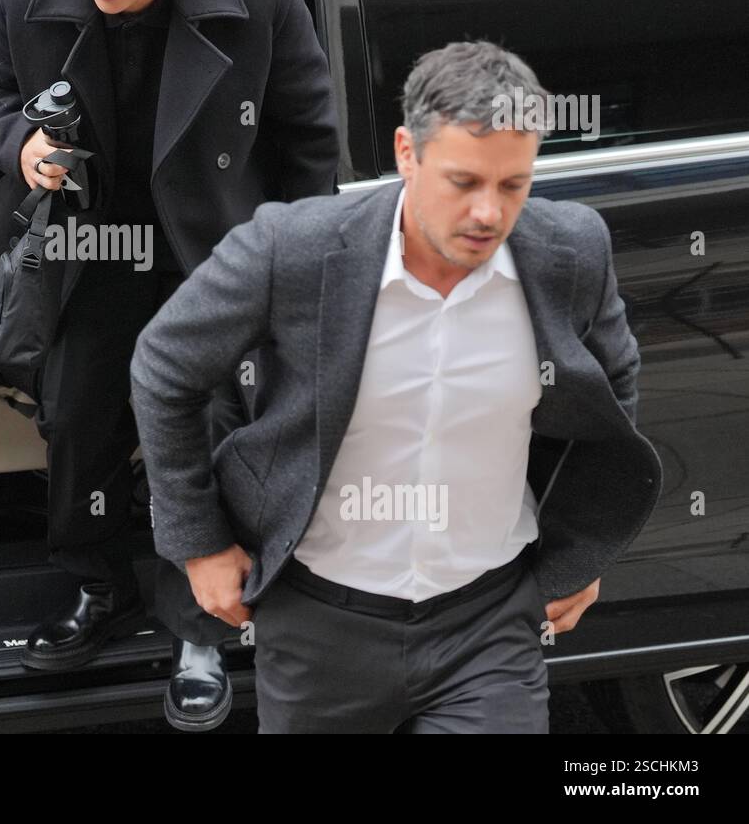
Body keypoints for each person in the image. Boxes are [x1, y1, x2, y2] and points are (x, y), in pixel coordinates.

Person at [129, 40, 664, 733]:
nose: (489, 215)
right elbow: (164, 367)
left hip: (489, 624)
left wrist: (583, 544)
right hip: (318, 626)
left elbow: (611, 388)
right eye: (464, 182)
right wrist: (197, 541)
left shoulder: (570, 251)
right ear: (407, 152)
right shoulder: (292, 250)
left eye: (514, 185)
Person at [0, 0, 339, 730]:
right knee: (78, 421)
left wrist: (288, 265)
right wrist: (19, 144)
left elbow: (309, 137)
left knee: (204, 437)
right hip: (85, 246)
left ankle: (199, 626)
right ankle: (97, 588)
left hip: (209, 252)